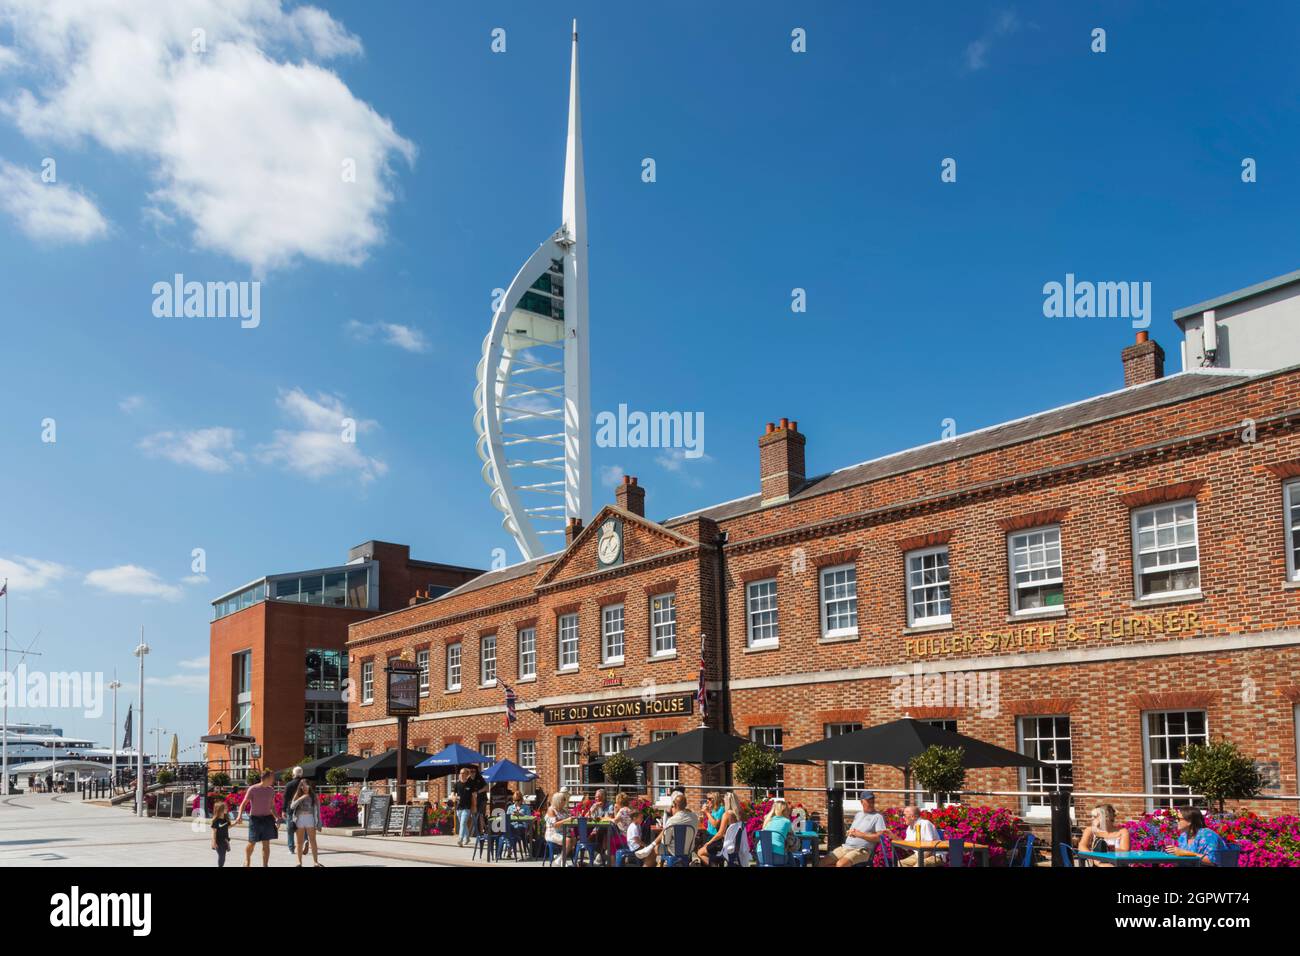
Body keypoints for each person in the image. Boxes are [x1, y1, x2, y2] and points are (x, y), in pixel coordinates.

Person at [820, 791, 887, 867]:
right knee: (822, 863)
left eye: (872, 801)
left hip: (861, 850)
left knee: (840, 864)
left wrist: (860, 835)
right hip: (846, 847)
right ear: (862, 802)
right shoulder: (858, 815)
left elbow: (880, 837)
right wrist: (850, 833)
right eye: (868, 801)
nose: (871, 804)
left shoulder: (878, 816)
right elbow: (854, 832)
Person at [236, 769, 282, 868]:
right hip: (255, 819)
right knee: (252, 843)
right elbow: (244, 803)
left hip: (267, 819)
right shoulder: (253, 789)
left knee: (266, 844)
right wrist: (239, 815)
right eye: (272, 778)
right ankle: (247, 860)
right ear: (267, 778)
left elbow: (272, 807)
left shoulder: (271, 790)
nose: (273, 780)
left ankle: (265, 865)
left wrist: (277, 817)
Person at [645, 793, 698, 863]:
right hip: (688, 851)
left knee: (654, 849)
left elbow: (665, 842)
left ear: (675, 805)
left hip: (673, 852)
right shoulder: (694, 817)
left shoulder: (672, 821)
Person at [696, 792, 741, 865]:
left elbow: (716, 827)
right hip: (713, 838)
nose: (707, 801)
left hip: (718, 841)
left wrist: (707, 813)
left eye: (709, 799)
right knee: (696, 845)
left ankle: (713, 864)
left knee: (700, 852)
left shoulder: (723, 811)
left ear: (715, 799)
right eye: (707, 799)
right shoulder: (713, 810)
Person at [290, 779, 323, 867]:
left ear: (309, 786)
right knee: (299, 842)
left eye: (305, 785)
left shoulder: (314, 796)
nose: (303, 787)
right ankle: (299, 862)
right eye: (301, 785)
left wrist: (319, 822)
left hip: (310, 819)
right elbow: (292, 806)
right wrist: (302, 797)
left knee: (313, 841)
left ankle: (315, 862)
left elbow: (318, 810)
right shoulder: (298, 794)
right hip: (299, 819)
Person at [543, 791, 571, 862]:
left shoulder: (563, 810)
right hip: (552, 833)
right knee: (568, 840)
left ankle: (560, 859)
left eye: (565, 799)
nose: (565, 801)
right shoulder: (551, 810)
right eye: (563, 799)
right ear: (558, 800)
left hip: (562, 832)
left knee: (574, 839)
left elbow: (567, 819)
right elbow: (555, 825)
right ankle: (561, 860)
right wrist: (567, 820)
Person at [283, 765, 305, 856]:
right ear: (301, 774)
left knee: (290, 829)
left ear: (293, 774)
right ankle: (305, 842)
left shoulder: (289, 784)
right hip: (304, 808)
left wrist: (283, 810)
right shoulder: (305, 784)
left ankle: (291, 848)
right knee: (303, 827)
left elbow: (286, 798)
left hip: (291, 808)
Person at [452, 767, 477, 847]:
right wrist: (454, 798)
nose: (461, 774)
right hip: (459, 807)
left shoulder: (471, 784)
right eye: (460, 773)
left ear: (467, 775)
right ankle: (467, 838)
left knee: (463, 823)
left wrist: (474, 807)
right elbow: (453, 795)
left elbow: (473, 797)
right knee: (464, 824)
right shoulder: (457, 784)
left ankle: (460, 839)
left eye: (463, 773)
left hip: (467, 808)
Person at [210, 800, 232, 868]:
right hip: (218, 842)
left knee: (223, 857)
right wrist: (213, 842)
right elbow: (214, 832)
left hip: (225, 841)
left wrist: (236, 822)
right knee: (221, 856)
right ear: (220, 810)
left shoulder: (225, 819)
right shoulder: (216, 821)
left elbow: (228, 827)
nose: (227, 809)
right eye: (225, 808)